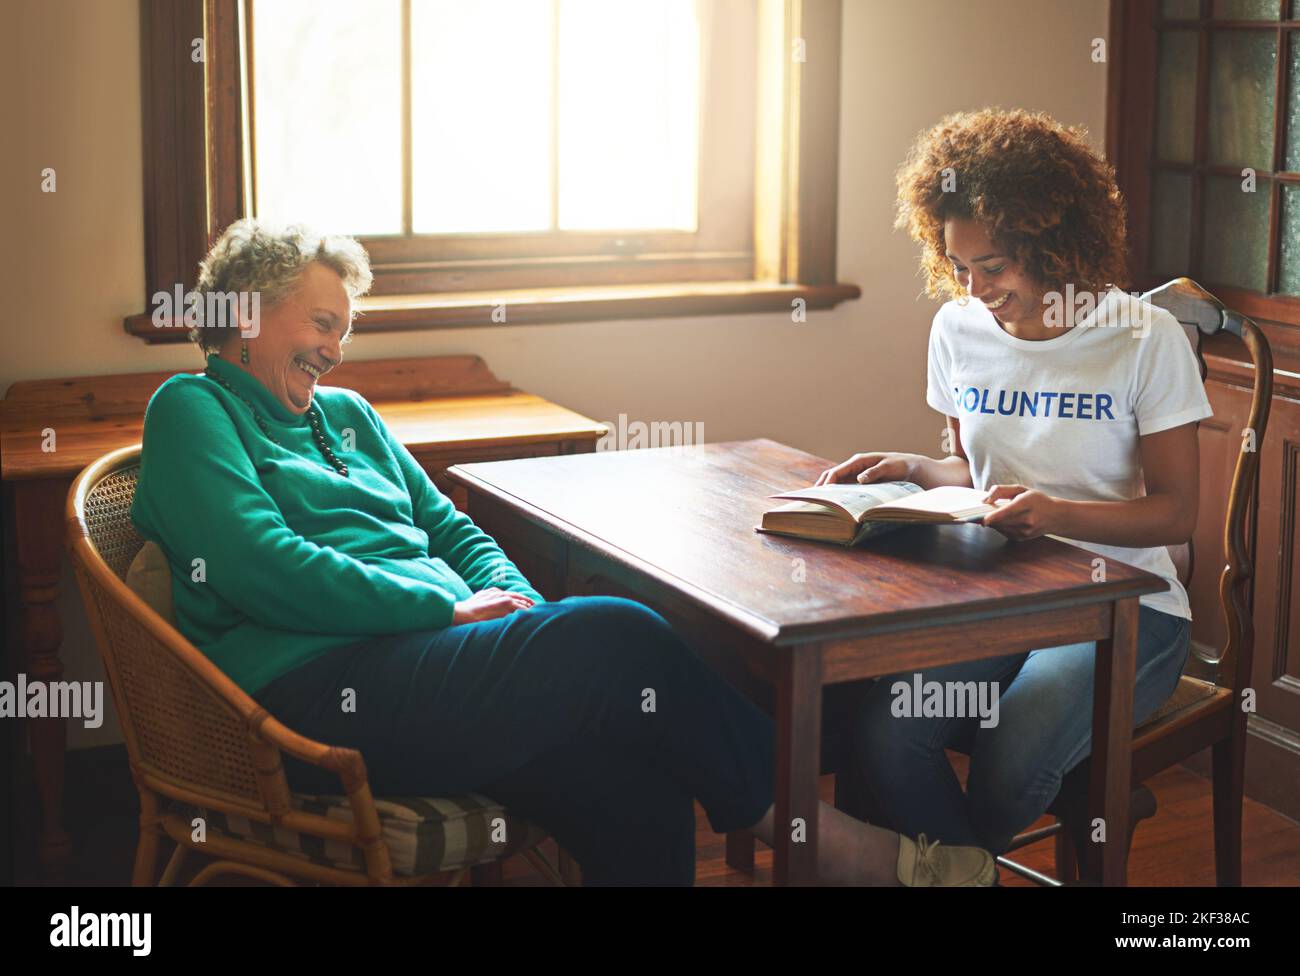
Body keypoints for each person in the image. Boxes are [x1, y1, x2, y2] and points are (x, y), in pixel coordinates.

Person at [130, 217, 996, 885]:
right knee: (617, 632)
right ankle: (819, 838)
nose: (335, 348)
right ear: (243, 313)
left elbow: (454, 531)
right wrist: (447, 608)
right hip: (316, 697)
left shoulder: (349, 416)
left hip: (435, 663)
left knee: (631, 771)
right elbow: (257, 563)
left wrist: (521, 614)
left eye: (345, 329)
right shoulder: (193, 409)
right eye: (322, 322)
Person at [816, 107, 1212, 857]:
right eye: (959, 265)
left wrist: (1055, 513)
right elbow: (977, 475)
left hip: (1129, 606)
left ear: (1053, 243)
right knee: (889, 725)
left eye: (993, 266)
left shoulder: (1142, 337)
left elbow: (1176, 513)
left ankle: (941, 875)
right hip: (1002, 590)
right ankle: (964, 878)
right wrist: (909, 469)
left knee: (1012, 752)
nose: (975, 287)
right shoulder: (958, 330)